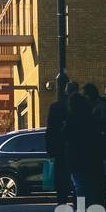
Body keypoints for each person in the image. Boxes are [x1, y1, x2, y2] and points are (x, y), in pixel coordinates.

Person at [64, 90, 103, 204]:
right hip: (89, 153)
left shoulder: (71, 117)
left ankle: (81, 206)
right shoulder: (89, 116)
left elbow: (66, 134)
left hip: (75, 153)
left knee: (78, 182)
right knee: (89, 181)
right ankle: (91, 204)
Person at [45, 73, 72, 204]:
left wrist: (50, 148)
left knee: (61, 179)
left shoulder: (55, 107)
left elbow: (50, 130)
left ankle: (62, 203)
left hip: (60, 149)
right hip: (73, 147)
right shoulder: (75, 105)